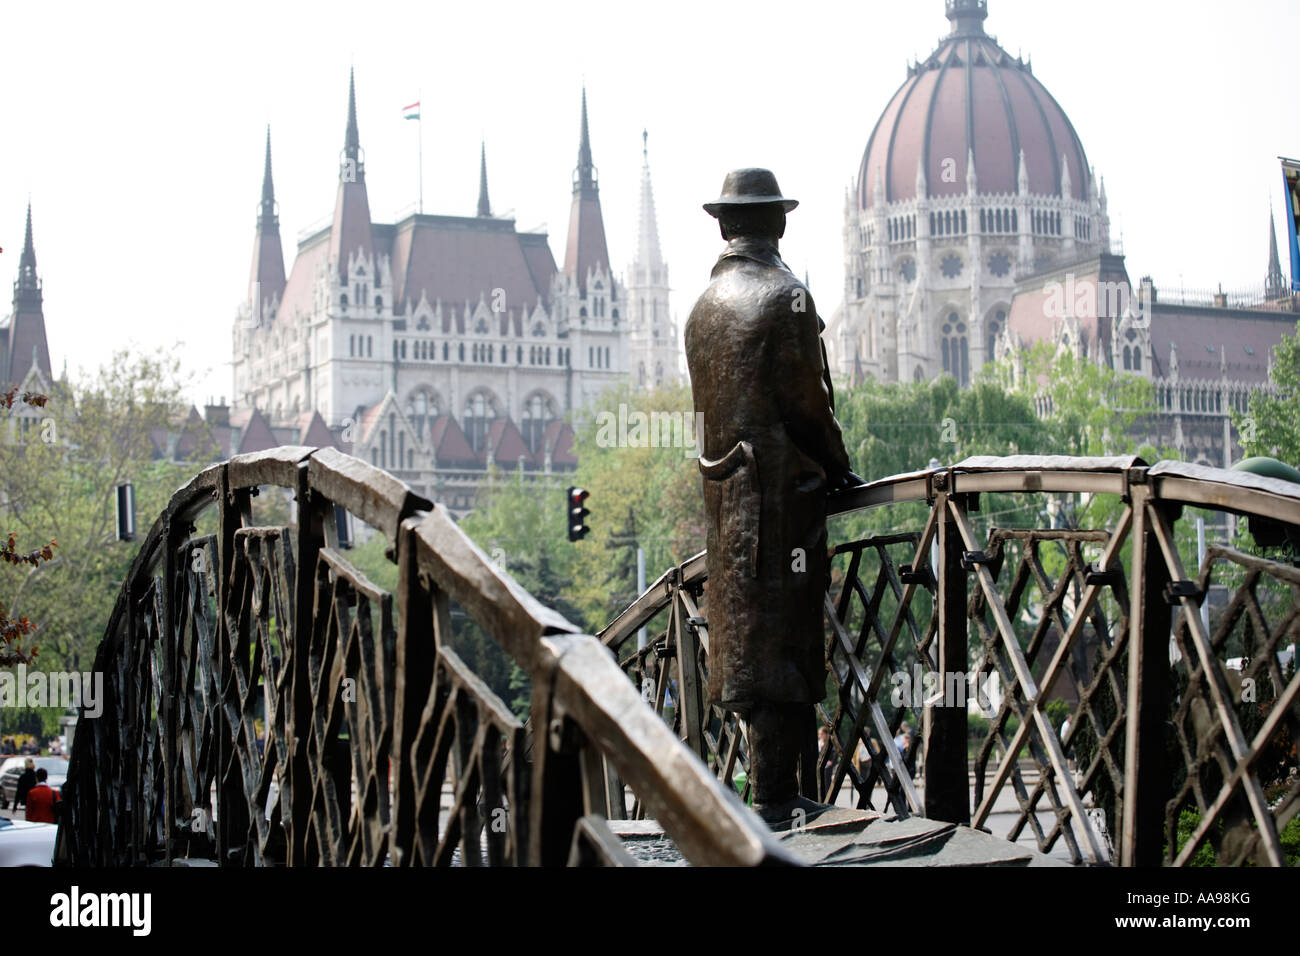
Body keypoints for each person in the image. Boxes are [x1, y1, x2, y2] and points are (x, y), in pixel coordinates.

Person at [685, 168, 859, 825]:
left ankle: (770, 797)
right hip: (783, 499)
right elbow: (809, 404)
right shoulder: (784, 296)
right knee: (784, 642)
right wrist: (840, 466)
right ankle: (779, 799)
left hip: (726, 503)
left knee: (748, 644)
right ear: (777, 223)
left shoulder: (703, 307)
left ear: (725, 226)